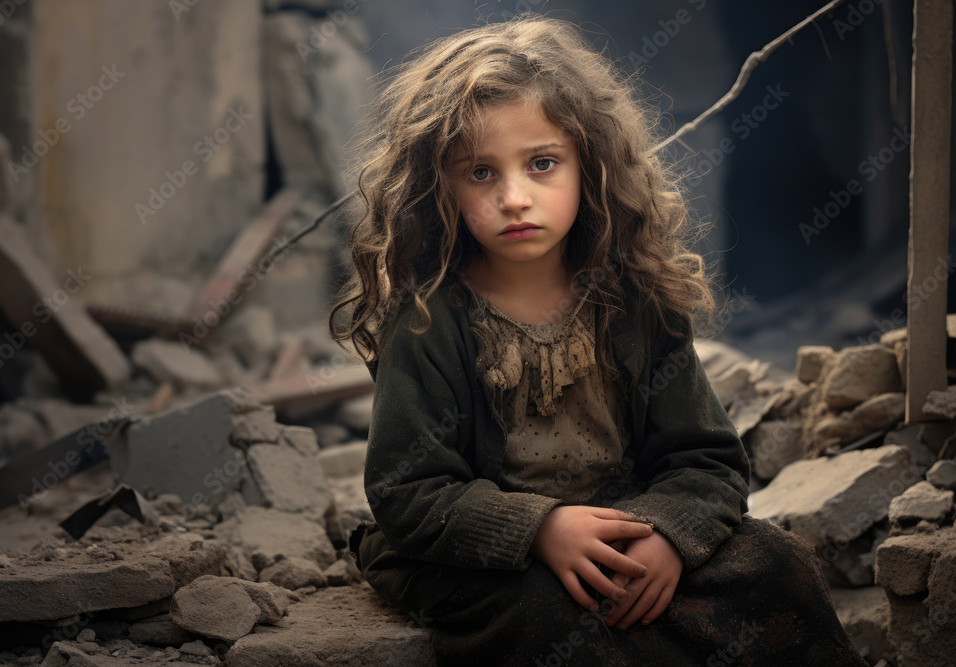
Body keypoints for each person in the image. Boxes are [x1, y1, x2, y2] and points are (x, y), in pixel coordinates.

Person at [330, 16, 865, 667]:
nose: (515, 197)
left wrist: (668, 535)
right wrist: (541, 529)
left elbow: (708, 462)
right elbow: (406, 494)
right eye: (480, 173)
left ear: (592, 165)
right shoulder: (426, 320)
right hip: (475, 552)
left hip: (624, 524)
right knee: (554, 618)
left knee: (777, 565)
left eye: (542, 163)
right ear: (436, 185)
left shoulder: (635, 299)